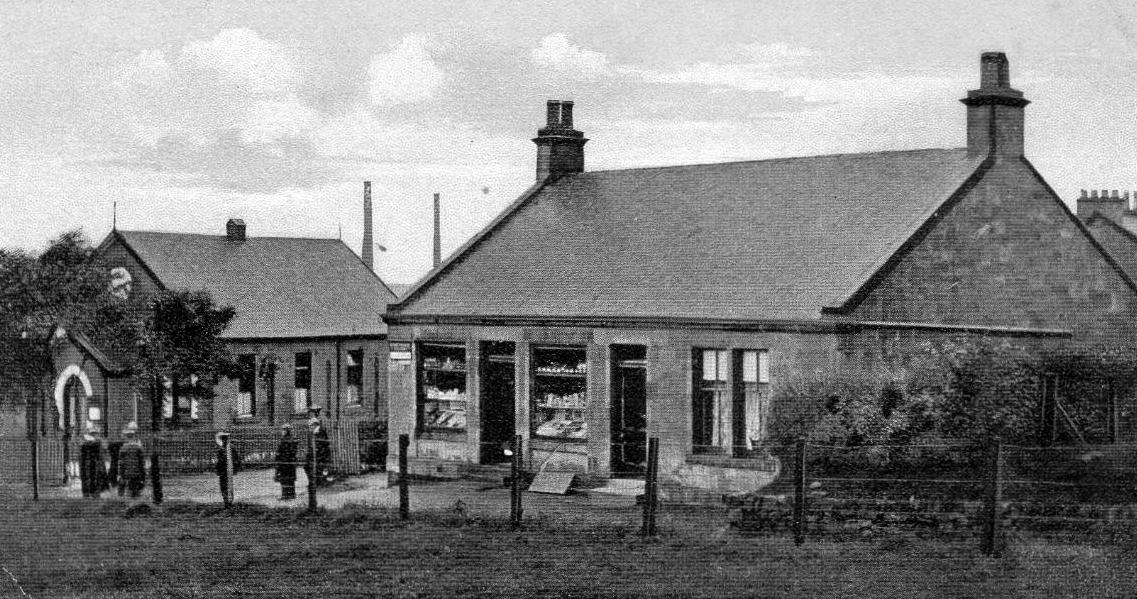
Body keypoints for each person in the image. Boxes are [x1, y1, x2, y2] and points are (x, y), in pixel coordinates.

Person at [117, 422, 146, 499]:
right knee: (136, 492)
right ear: (133, 436)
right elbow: (142, 463)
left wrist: (121, 474)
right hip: (137, 473)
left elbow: (121, 463)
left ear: (126, 437)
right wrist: (143, 475)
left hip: (127, 473)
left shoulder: (123, 448)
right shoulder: (139, 448)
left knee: (126, 491)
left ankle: (124, 500)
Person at [78, 422, 107, 498]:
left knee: (87, 477)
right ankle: (94, 493)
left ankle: (87, 493)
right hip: (94, 462)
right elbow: (103, 450)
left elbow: (81, 453)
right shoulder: (98, 442)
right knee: (95, 477)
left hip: (87, 462)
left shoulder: (85, 442)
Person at [307, 407, 333, 487]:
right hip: (314, 454)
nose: (310, 428)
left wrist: (318, 450)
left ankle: (321, 482)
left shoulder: (320, 431)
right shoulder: (312, 433)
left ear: (315, 425)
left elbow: (323, 443)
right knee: (308, 467)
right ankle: (316, 482)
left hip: (321, 454)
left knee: (321, 468)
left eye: (311, 426)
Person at [214, 431, 240, 506]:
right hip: (223, 471)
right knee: (224, 486)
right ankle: (226, 501)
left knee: (228, 485)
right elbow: (219, 461)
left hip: (228, 470)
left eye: (226, 439)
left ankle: (229, 501)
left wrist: (235, 468)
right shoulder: (221, 448)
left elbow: (236, 459)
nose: (225, 440)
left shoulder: (230, 448)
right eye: (224, 439)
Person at [274, 424, 298, 500]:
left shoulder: (284, 440)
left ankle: (285, 496)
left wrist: (278, 459)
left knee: (284, 479)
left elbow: (281, 451)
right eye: (282, 430)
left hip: (284, 462)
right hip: (291, 462)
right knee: (290, 479)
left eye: (284, 430)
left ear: (287, 431)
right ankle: (292, 495)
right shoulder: (293, 439)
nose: (282, 431)